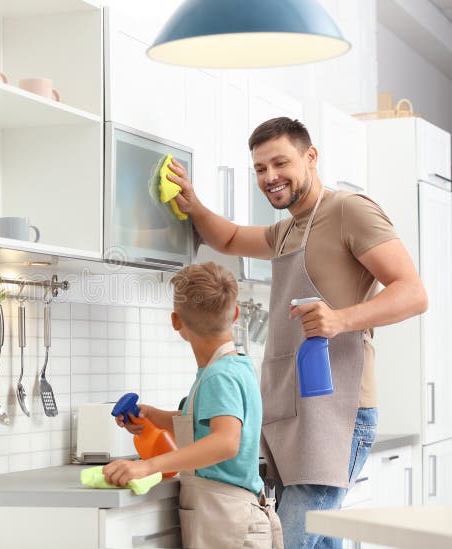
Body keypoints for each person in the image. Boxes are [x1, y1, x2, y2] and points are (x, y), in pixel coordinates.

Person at [162, 117, 428, 548]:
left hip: (337, 413)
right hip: (290, 411)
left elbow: (413, 293)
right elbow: (227, 238)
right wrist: (193, 204)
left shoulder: (350, 211)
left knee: (291, 542)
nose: (270, 177)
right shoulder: (285, 231)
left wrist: (340, 319)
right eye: (260, 169)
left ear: (311, 157)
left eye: (280, 163)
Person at [104, 261, 284, 549]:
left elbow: (225, 442)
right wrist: (153, 416)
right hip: (226, 516)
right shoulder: (233, 366)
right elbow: (207, 422)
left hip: (227, 521)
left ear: (176, 322)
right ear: (236, 314)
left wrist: (148, 466)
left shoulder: (219, 376)